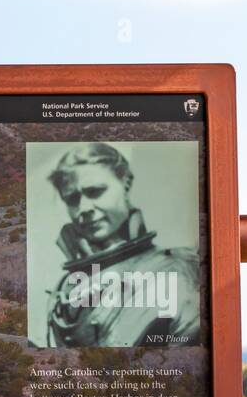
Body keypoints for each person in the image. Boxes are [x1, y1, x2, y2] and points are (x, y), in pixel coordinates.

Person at [43, 142, 201, 348]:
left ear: (125, 183)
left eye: (95, 191)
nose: (84, 208)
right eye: (72, 199)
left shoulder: (178, 269)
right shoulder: (66, 287)